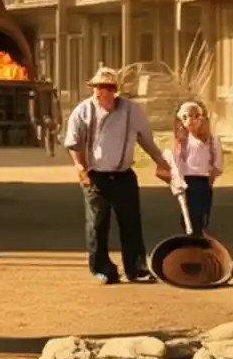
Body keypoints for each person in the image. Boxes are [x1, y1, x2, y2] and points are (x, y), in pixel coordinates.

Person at [64, 67, 167, 285]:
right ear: (94, 90)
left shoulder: (131, 111)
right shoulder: (83, 111)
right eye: (101, 88)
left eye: (110, 87)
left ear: (116, 89)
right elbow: (73, 143)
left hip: (123, 175)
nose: (105, 92)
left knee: (131, 223)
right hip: (96, 175)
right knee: (97, 225)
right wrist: (80, 168)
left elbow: (146, 140)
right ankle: (102, 269)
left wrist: (161, 162)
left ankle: (136, 268)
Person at [159, 100, 223, 237]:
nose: (191, 120)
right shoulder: (179, 142)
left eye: (196, 116)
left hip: (203, 181)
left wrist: (210, 179)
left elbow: (217, 165)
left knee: (201, 215)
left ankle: (199, 238)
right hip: (185, 182)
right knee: (188, 217)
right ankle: (191, 239)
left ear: (203, 119)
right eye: (186, 117)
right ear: (180, 120)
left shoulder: (212, 141)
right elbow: (172, 164)